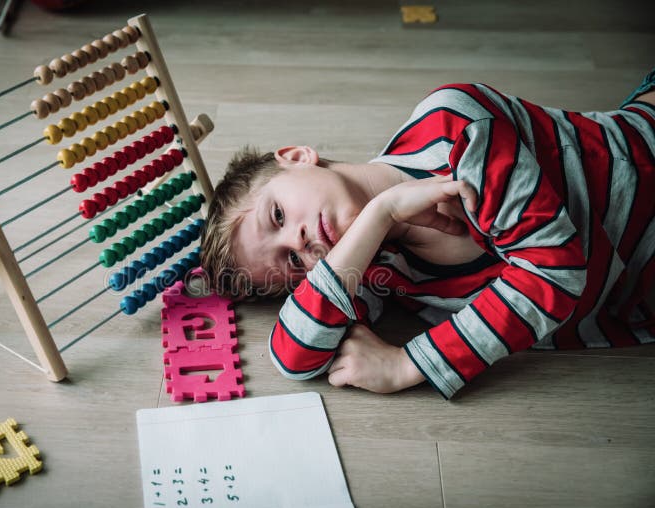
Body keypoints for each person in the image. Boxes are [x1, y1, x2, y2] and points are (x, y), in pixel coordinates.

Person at [199, 72, 655, 399]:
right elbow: (293, 357)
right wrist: (381, 213)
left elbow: (555, 272)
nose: (298, 243)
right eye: (295, 265)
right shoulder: (377, 270)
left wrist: (407, 364)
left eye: (277, 215)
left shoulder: (452, 130)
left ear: (297, 156)